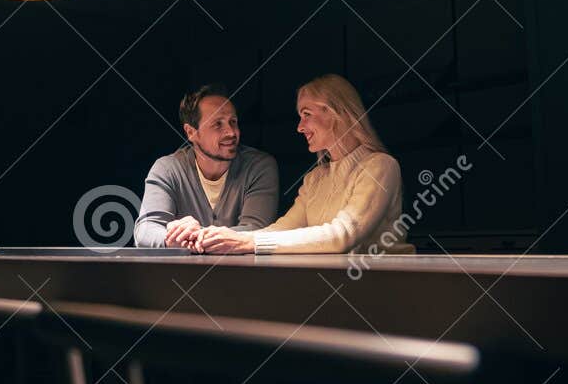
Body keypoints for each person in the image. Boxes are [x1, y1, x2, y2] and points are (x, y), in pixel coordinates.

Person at [195, 74, 407, 255]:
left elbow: (343, 235)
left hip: (381, 284)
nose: (299, 127)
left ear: (337, 113)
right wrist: (219, 236)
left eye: (307, 114)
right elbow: (283, 229)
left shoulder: (380, 166)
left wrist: (248, 242)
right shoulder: (314, 178)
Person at [133, 84, 279, 248]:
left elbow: (256, 230)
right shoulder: (167, 169)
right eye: (218, 124)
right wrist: (171, 238)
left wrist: (193, 236)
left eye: (233, 122)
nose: (231, 132)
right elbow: (145, 230)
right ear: (191, 132)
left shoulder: (259, 166)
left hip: (240, 265)